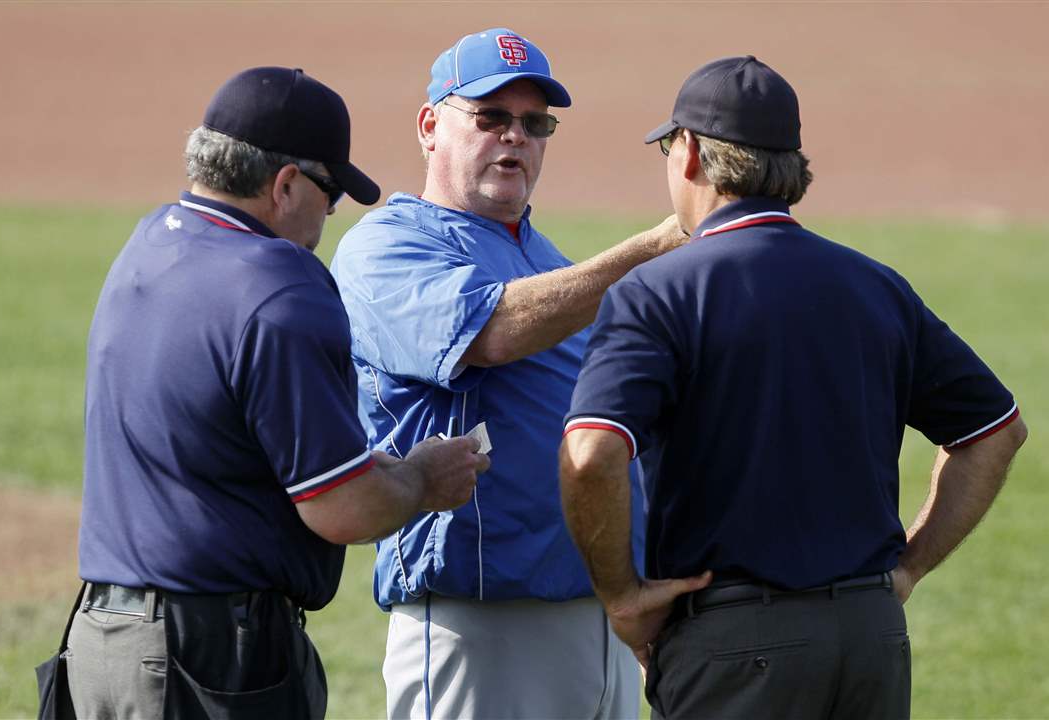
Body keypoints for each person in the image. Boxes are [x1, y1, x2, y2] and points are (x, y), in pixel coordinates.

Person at [559, 54, 1028, 720]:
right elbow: (994, 432)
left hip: (732, 646)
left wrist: (623, 598)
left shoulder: (657, 292)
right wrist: (907, 567)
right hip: (869, 639)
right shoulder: (876, 287)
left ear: (688, 152)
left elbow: (591, 454)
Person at [59, 66, 489, 720]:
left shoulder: (150, 242)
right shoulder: (279, 284)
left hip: (97, 643)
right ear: (286, 184)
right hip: (203, 659)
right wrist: (423, 478)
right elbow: (339, 508)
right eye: (330, 193)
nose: (330, 215)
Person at [330, 28, 691, 720]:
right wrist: (658, 245)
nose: (514, 137)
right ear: (430, 126)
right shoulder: (388, 244)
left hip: (599, 606)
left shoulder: (546, 257)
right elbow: (491, 333)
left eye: (534, 123)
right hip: (482, 617)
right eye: (490, 117)